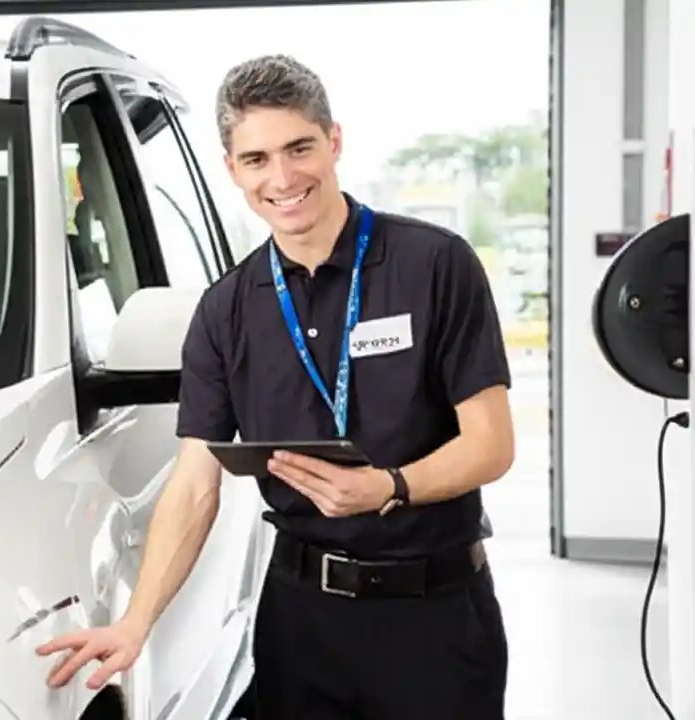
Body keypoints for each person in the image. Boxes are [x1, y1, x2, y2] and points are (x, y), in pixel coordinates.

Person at [35, 54, 516, 720]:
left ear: (334, 141)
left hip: (435, 619)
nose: (283, 179)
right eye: (257, 159)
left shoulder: (435, 265)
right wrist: (135, 622)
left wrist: (390, 486)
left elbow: (491, 445)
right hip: (301, 623)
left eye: (299, 148)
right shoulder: (225, 311)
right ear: (233, 169)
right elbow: (195, 483)